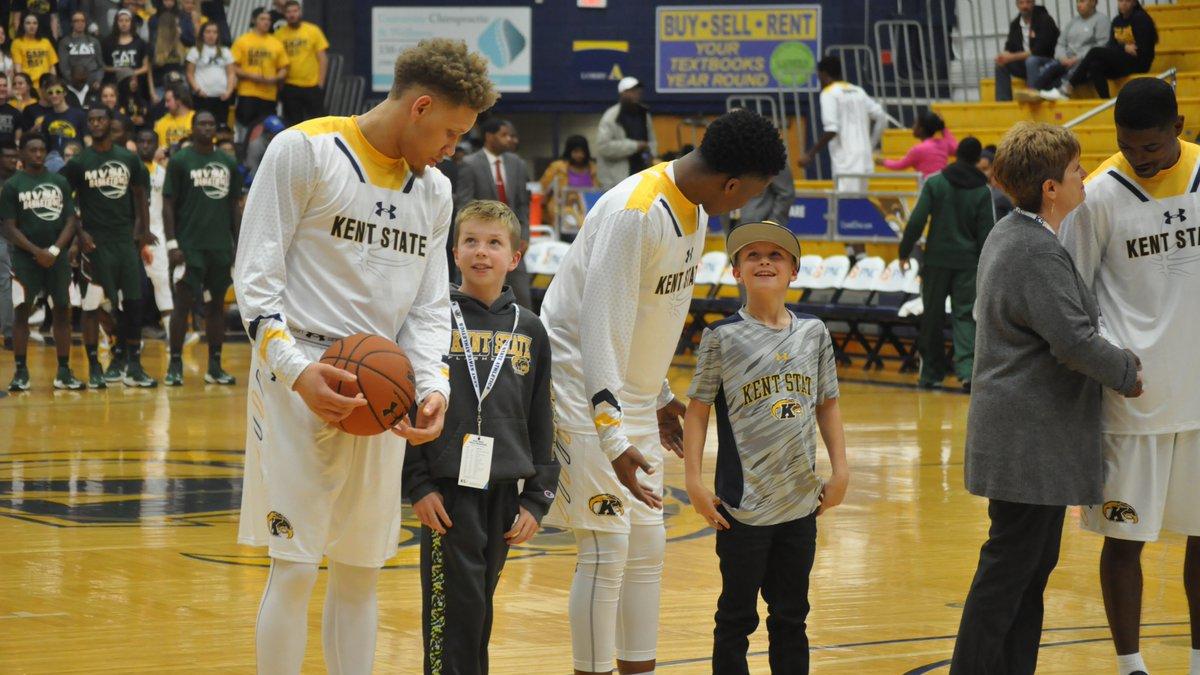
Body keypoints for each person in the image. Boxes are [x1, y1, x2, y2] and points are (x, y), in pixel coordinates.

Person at [233, 38, 496, 675]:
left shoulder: (434, 192)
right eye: (450, 131)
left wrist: (432, 384)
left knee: (361, 571)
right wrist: (296, 374)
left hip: (385, 391)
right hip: (301, 373)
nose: (452, 147)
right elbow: (255, 282)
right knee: (294, 568)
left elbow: (431, 308)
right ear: (420, 105)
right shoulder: (303, 150)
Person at [540, 109, 786, 675]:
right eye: (748, 193)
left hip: (630, 395)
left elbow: (652, 315)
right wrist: (612, 433)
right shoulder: (637, 212)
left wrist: (656, 397)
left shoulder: (695, 212)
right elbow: (598, 328)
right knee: (606, 548)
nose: (745, 205)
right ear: (731, 183)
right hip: (582, 388)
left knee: (648, 544)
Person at [950, 121, 1143, 674]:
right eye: (1077, 169)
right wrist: (1128, 372)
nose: (1085, 177)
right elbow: (1074, 341)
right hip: (1024, 442)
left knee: (1028, 573)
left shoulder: (1021, 235)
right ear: (1051, 187)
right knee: (1009, 574)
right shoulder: (1032, 248)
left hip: (1028, 441)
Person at [1061, 78, 1200, 675]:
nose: (1139, 157)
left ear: (1178, 127)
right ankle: (1131, 665)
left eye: (1150, 146)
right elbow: (1070, 298)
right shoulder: (1096, 197)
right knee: (1125, 542)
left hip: (1199, 397)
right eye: (1127, 145)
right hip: (1132, 401)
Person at [682, 221, 847, 674]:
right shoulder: (721, 337)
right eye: (751, 255)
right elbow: (697, 412)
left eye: (775, 255)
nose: (764, 261)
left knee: (792, 616)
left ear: (794, 270)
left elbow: (827, 405)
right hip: (741, 506)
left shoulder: (814, 333)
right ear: (736, 271)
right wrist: (694, 482)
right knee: (736, 617)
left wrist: (842, 471)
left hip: (799, 502)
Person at [403, 199, 558, 675]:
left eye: (494, 243)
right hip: (447, 493)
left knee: (479, 612)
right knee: (451, 616)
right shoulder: (432, 320)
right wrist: (419, 486)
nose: (481, 252)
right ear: (453, 252)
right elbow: (408, 406)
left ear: (515, 256)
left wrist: (536, 499)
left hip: (504, 491)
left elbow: (539, 418)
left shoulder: (530, 329)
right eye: (470, 241)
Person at [62, 105, 155, 388]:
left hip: (125, 241)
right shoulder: (80, 163)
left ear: (110, 122)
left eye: (101, 118)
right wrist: (79, 233)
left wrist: (141, 233)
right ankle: (104, 362)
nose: (96, 123)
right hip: (94, 244)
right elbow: (65, 200)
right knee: (96, 306)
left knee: (134, 303)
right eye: (91, 120)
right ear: (87, 125)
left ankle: (134, 365)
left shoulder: (128, 158)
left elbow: (141, 199)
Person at [898, 137, 995, 391]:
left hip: (936, 261)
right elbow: (987, 233)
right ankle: (966, 373)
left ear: (957, 155)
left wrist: (904, 251)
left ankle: (931, 373)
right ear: (976, 159)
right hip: (968, 264)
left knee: (932, 316)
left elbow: (917, 220)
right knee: (965, 316)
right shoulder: (982, 190)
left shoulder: (936, 182)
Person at [162, 110, 238, 385]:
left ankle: (214, 366)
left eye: (210, 124)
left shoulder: (228, 162)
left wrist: (238, 244)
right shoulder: (181, 161)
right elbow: (168, 204)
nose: (206, 128)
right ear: (192, 128)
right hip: (188, 246)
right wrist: (172, 243)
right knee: (182, 306)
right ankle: (175, 365)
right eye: (201, 124)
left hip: (219, 247)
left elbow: (234, 207)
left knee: (217, 306)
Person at [3, 134, 83, 390]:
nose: (38, 154)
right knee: (21, 313)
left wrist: (55, 250)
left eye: (41, 150)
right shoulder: (13, 185)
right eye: (32, 150)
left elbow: (71, 220)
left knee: (62, 311)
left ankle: (63, 371)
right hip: (25, 259)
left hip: (56, 259)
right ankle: (21, 372)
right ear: (23, 154)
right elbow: (8, 227)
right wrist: (37, 251)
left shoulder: (59, 181)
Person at [454, 118, 532, 308]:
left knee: (522, 296)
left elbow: (522, 204)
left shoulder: (517, 164)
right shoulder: (470, 164)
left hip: (511, 237)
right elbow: (464, 205)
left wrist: (524, 235)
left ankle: (523, 331)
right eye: (503, 135)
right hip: (483, 238)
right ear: (489, 136)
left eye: (510, 136)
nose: (509, 140)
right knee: (475, 297)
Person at [800, 56, 886, 195]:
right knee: (859, 204)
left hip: (847, 161)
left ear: (823, 74)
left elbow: (832, 130)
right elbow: (881, 117)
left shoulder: (828, 93)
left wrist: (810, 154)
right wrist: (871, 144)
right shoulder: (858, 91)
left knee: (845, 206)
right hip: (864, 158)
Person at [1041, 0, 1157, 101]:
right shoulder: (1117, 20)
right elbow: (1111, 44)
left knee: (1095, 51)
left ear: (1134, 2)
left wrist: (1122, 47)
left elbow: (1144, 50)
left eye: (1127, 1)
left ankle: (1067, 88)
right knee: (1095, 66)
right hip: (1123, 59)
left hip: (1138, 62)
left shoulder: (1141, 18)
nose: (1123, 4)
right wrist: (1124, 47)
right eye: (1120, 1)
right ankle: (1105, 102)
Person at [1015, 0, 1110, 99]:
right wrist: (1062, 57)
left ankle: (1047, 94)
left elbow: (1101, 46)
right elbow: (1061, 43)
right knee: (1048, 70)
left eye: (1082, 1)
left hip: (1083, 62)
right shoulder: (1073, 22)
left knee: (1059, 80)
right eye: (1077, 2)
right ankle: (1033, 92)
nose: (1079, 5)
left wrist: (1077, 58)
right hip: (1065, 61)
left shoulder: (1102, 20)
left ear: (1094, 3)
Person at [134, 128, 174, 338]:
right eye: (141, 141)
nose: (146, 145)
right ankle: (122, 335)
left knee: (162, 282)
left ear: (157, 146)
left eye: (150, 142)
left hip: (157, 235)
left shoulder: (164, 174)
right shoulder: (129, 170)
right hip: (131, 235)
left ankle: (171, 334)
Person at [231, 8, 287, 136]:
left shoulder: (276, 43)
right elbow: (232, 66)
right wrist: (249, 75)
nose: (266, 22)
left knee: (267, 129)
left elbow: (284, 68)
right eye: (262, 19)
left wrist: (275, 78)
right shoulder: (242, 40)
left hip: (269, 95)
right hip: (248, 93)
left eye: (268, 19)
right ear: (254, 20)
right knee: (244, 127)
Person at [596, 76, 655, 190]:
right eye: (632, 91)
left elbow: (652, 140)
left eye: (638, 91)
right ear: (622, 93)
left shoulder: (644, 115)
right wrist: (635, 146)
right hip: (616, 182)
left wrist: (652, 155)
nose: (636, 94)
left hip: (642, 178)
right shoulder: (611, 116)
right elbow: (603, 146)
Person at [993, 0, 1059, 102]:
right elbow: (1010, 47)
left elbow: (1039, 50)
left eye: (1028, 2)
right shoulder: (1015, 24)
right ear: (1017, 4)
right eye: (1021, 3)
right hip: (1025, 63)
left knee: (1031, 60)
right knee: (1001, 64)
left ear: (1033, 3)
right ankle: (1003, 102)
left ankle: (1033, 95)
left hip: (1047, 62)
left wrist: (1012, 57)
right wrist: (1003, 56)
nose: (1025, 6)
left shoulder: (1045, 20)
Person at [274, 0, 327, 127]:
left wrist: (320, 84)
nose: (292, 15)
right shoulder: (278, 35)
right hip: (290, 86)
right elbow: (277, 63)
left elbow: (323, 59)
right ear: (284, 14)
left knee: (318, 124)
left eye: (295, 11)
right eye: (289, 12)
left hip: (312, 86)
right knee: (293, 126)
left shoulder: (313, 30)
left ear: (300, 12)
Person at [539, 134, 598, 238]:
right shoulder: (557, 167)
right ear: (569, 151)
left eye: (582, 152)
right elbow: (543, 190)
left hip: (586, 214)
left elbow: (597, 191)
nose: (580, 155)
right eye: (576, 151)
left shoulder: (592, 168)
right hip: (562, 214)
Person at [876, 110, 958, 179]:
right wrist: (944, 129)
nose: (913, 127)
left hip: (928, 189)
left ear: (921, 129)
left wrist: (884, 162)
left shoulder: (918, 150)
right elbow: (956, 149)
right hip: (943, 188)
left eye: (915, 124)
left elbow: (900, 165)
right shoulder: (943, 144)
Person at [186, 21, 234, 128]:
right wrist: (197, 90)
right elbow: (190, 74)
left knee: (220, 127)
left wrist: (229, 91)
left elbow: (231, 73)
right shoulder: (195, 51)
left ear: (218, 35)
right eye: (208, 32)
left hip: (221, 98)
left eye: (214, 32)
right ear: (202, 34)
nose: (211, 35)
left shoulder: (225, 51)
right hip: (202, 97)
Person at [29, 76, 86, 156]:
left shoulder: (79, 115)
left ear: (65, 93)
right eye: (50, 93)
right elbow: (46, 145)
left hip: (75, 160)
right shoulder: (47, 119)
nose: (54, 95)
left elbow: (87, 140)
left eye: (58, 92)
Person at [103, 9, 151, 96]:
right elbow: (103, 66)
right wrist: (117, 69)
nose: (124, 24)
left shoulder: (140, 43)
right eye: (121, 20)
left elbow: (146, 67)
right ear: (116, 23)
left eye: (127, 20)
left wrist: (129, 73)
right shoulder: (108, 43)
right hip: (114, 87)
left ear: (131, 23)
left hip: (136, 87)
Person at [0, 140, 17, 346]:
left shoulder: (21, 179)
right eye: (8, 156)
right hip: (2, 236)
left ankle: (12, 328)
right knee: (5, 282)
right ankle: (9, 332)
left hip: (21, 237)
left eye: (15, 156)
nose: (13, 159)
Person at [58, 12, 105, 86]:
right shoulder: (64, 42)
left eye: (82, 21)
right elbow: (64, 67)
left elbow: (100, 65)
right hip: (74, 80)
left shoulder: (94, 41)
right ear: (71, 23)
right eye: (76, 21)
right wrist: (73, 81)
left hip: (93, 80)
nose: (80, 23)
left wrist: (98, 80)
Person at [150, 8, 188, 96]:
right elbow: (150, 72)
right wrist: (152, 92)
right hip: (161, 88)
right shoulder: (154, 46)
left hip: (179, 88)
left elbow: (183, 69)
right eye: (177, 25)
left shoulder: (181, 44)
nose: (179, 29)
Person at [12, 14, 58, 85]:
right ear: (23, 25)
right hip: (28, 85)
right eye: (28, 23)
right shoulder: (17, 43)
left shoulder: (46, 42)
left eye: (35, 23)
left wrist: (53, 82)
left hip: (46, 84)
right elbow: (18, 69)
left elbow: (52, 66)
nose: (32, 26)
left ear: (38, 25)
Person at [152, 83, 193, 148]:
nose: (165, 105)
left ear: (179, 100)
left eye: (168, 101)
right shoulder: (160, 123)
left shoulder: (196, 119)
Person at [0, 75, 22, 145]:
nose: (2, 88)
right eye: (0, 85)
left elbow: (17, 140)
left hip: (8, 153)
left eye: (5, 86)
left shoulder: (15, 112)